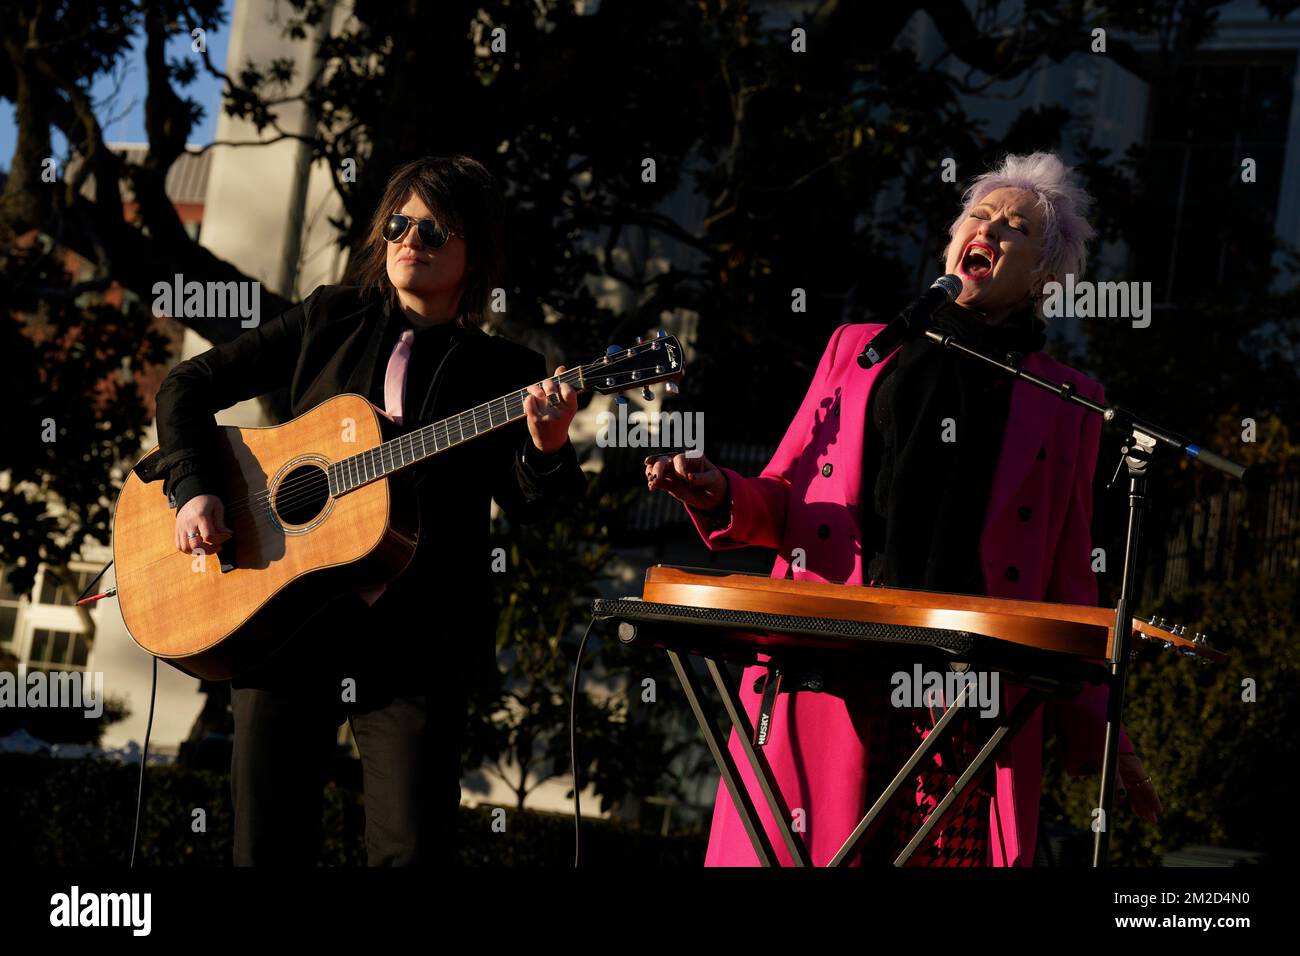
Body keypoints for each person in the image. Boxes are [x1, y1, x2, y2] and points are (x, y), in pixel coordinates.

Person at [645, 152, 1161, 866]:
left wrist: (1102, 728)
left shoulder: (1065, 397)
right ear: (954, 241)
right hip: (831, 661)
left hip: (964, 688)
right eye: (980, 215)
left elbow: (1070, 577)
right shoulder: (862, 350)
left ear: (1044, 277)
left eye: (1017, 226)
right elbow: (787, 496)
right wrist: (718, 491)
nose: (992, 228)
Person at [153, 154, 587, 865]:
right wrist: (195, 487)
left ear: (474, 253)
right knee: (265, 847)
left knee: (411, 851)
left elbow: (540, 505)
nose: (410, 239)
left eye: (435, 230)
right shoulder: (329, 317)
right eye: (398, 223)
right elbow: (187, 387)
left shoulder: (505, 376)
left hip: (414, 647)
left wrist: (545, 446)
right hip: (283, 620)